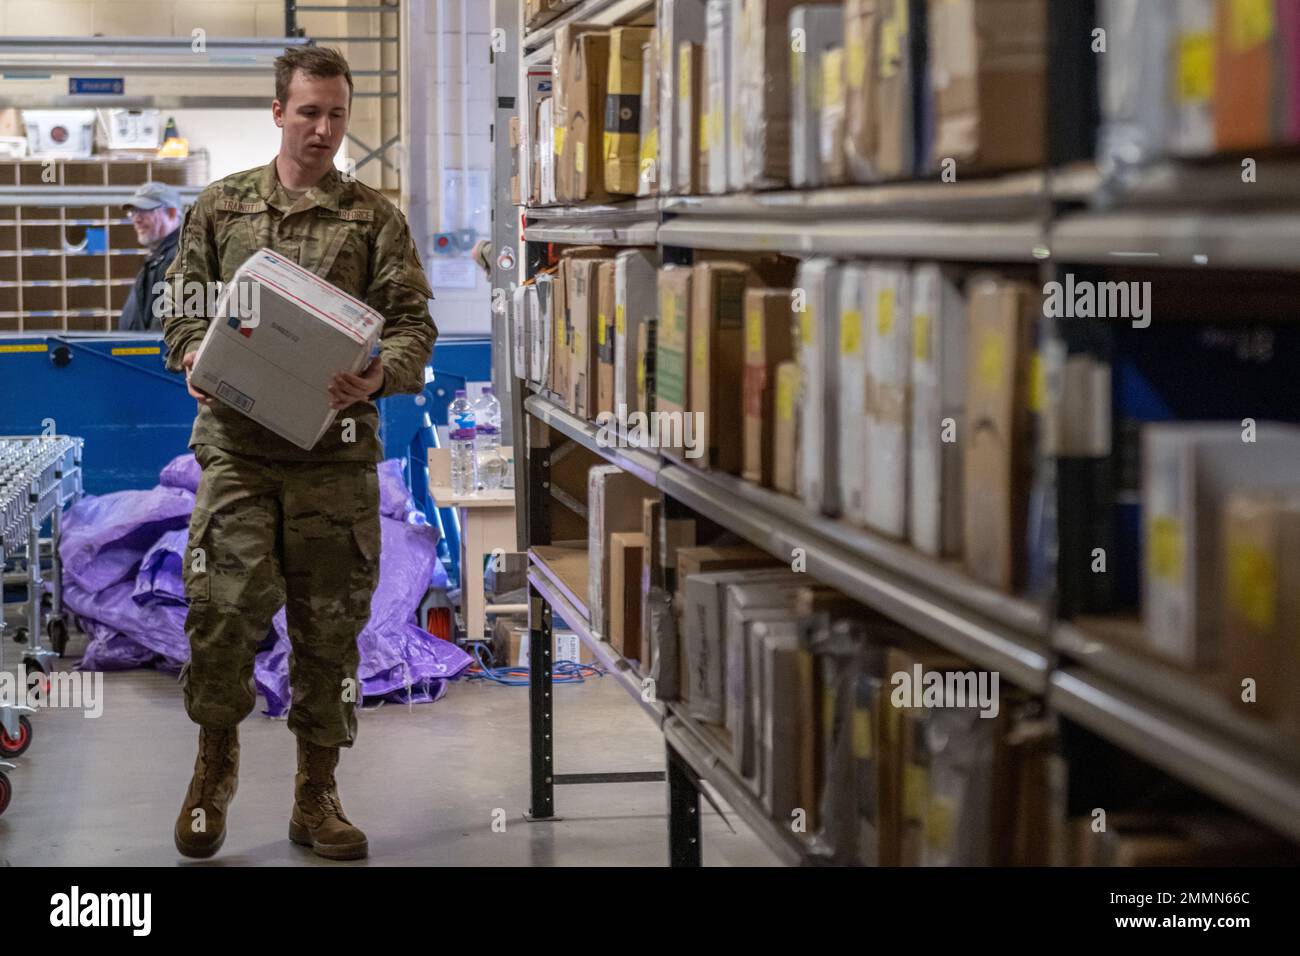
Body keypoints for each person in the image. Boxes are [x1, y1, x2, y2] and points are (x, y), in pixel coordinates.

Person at [161, 45, 437, 861]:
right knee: (220, 617)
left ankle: (317, 797)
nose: (322, 129)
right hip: (239, 455)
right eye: (308, 111)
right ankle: (213, 772)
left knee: (329, 634)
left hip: (335, 458)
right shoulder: (220, 207)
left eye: (336, 114)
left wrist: (379, 371)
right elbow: (181, 308)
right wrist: (191, 360)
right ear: (278, 112)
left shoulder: (373, 218)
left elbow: (414, 325)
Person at [118, 182, 182, 331]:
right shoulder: (160, 257)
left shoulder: (181, 260)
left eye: (144, 211)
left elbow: (167, 330)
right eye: (133, 213)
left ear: (172, 213)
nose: (136, 219)